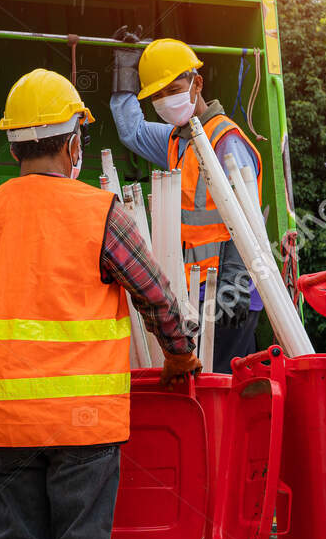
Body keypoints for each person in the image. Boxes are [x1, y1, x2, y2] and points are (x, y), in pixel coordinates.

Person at [0, 68, 200, 539]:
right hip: (82, 421)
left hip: (8, 419)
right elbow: (156, 295)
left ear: (15, 145)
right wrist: (180, 355)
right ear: (74, 143)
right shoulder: (99, 212)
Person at [110, 33, 264, 373]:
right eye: (158, 95)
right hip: (195, 293)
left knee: (221, 389)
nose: (166, 101)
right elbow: (132, 130)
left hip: (229, 295)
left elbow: (249, 219)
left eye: (173, 90)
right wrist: (124, 68)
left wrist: (235, 283)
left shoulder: (225, 141)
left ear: (197, 83)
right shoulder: (175, 140)